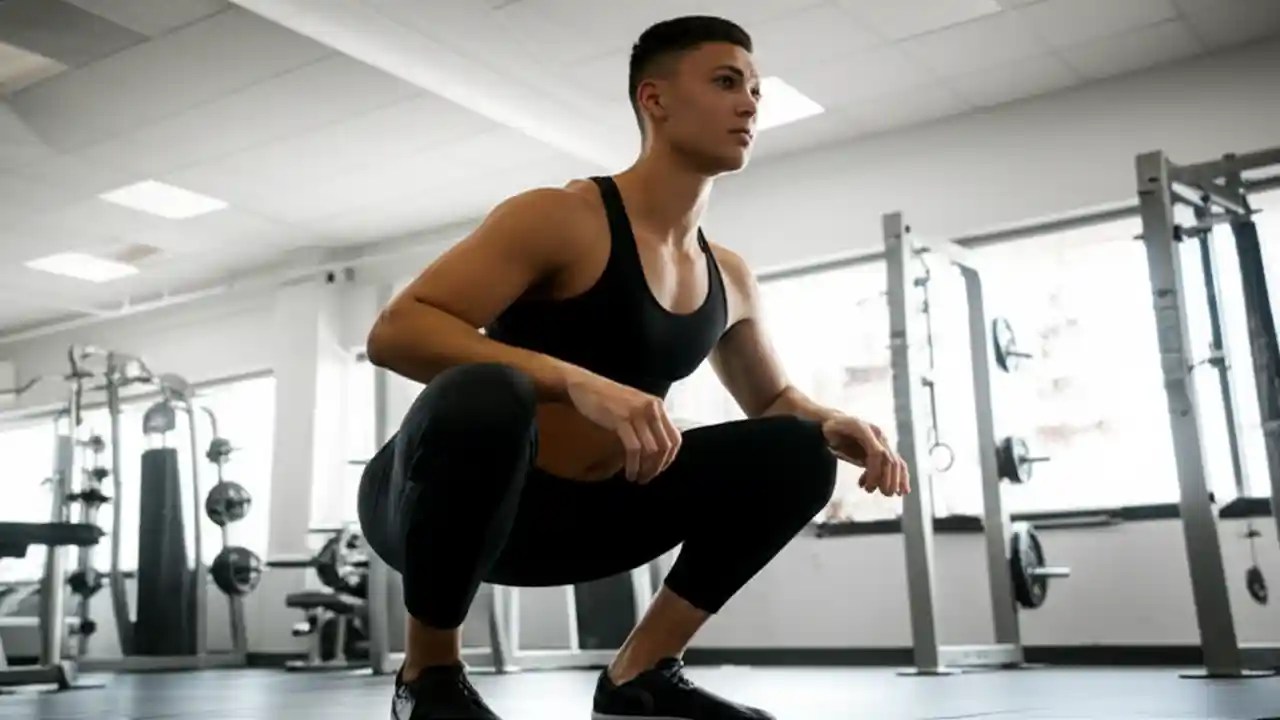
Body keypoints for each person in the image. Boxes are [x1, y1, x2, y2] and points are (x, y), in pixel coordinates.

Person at [358, 14, 910, 720]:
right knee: (486, 390)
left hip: (591, 521)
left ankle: (640, 675)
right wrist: (574, 380)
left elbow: (771, 400)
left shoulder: (728, 274)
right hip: (442, 507)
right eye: (724, 82)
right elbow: (396, 330)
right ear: (655, 99)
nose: (749, 103)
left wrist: (835, 419)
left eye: (755, 89)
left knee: (800, 449)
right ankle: (429, 679)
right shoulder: (559, 217)